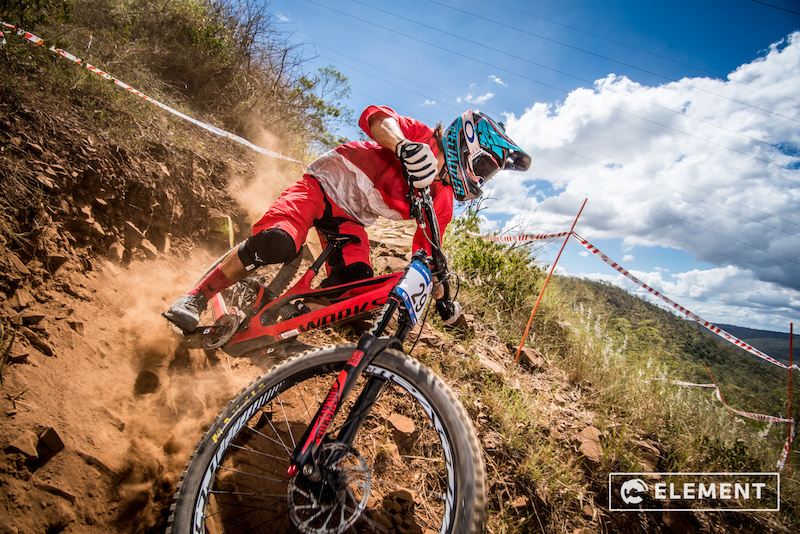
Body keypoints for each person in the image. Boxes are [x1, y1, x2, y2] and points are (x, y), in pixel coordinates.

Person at [164, 105, 531, 333]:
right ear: (465, 142)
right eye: (483, 165)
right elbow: (376, 117)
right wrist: (402, 146)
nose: (482, 178)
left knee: (354, 291)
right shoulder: (421, 138)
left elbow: (426, 250)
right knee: (281, 241)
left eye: (490, 174)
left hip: (350, 221)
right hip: (321, 186)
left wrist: (436, 285)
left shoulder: (444, 199)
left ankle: (283, 322)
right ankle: (196, 297)